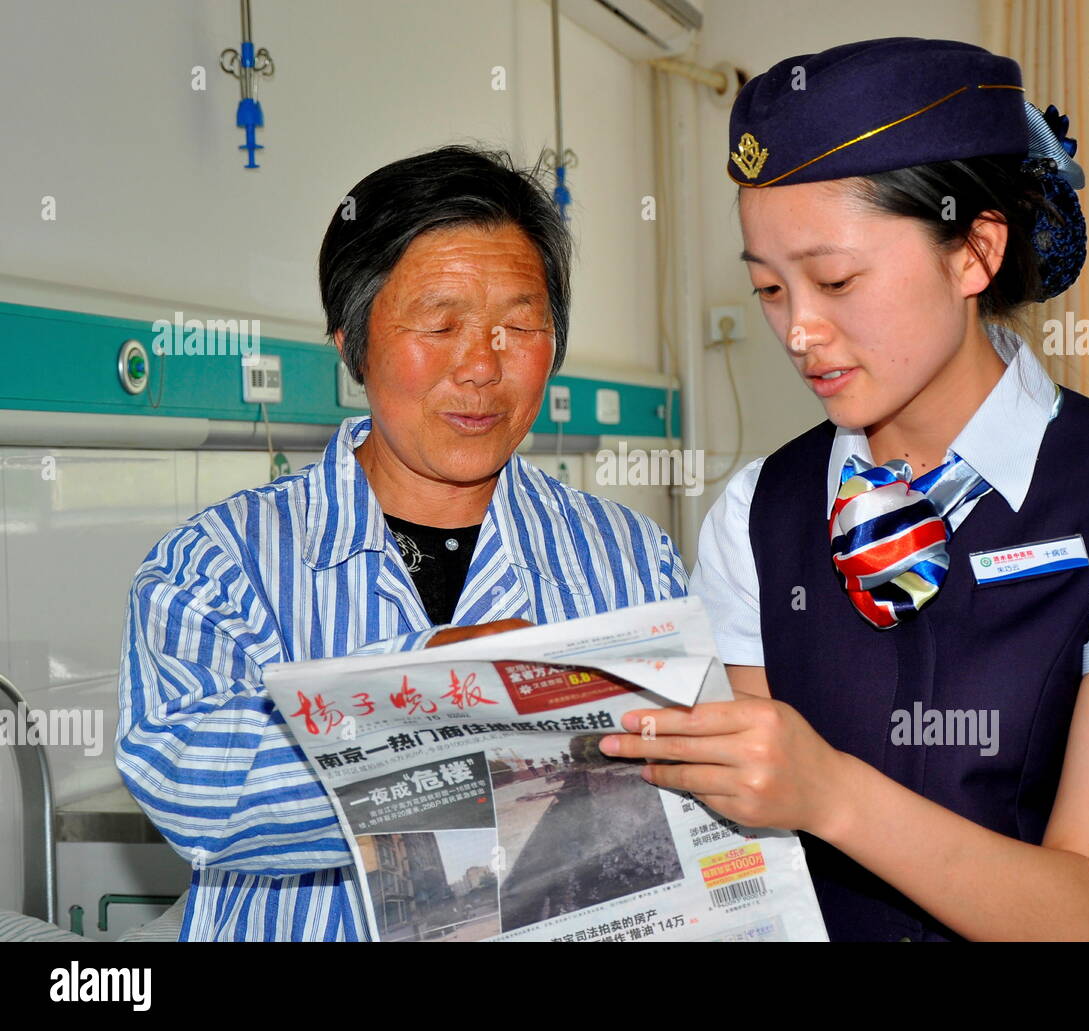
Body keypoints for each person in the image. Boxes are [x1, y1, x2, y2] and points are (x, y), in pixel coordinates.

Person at [599, 37, 1089, 941]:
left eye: (835, 279)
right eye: (770, 290)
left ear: (975, 252)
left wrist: (828, 792)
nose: (799, 330)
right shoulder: (757, 515)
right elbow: (751, 860)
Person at [116, 145, 687, 941]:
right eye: (441, 324)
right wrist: (441, 685)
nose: (481, 367)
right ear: (352, 343)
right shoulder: (218, 564)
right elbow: (191, 788)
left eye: (519, 325)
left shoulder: (630, 559)